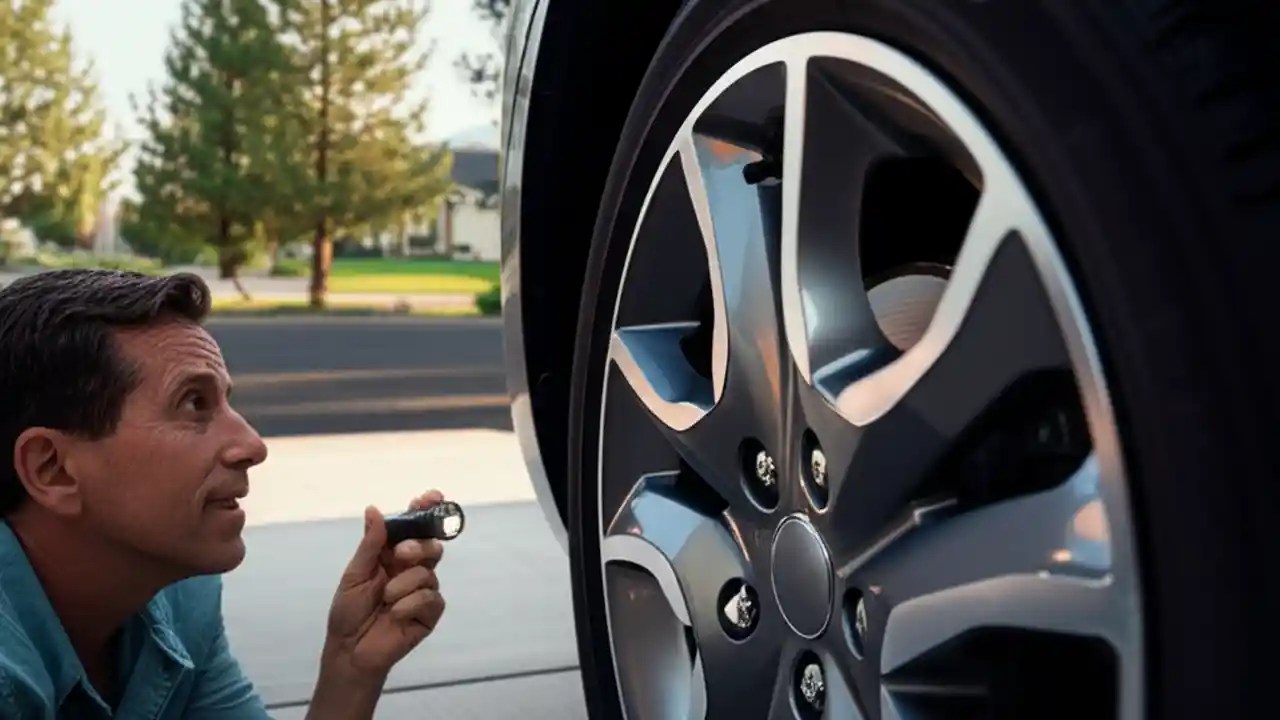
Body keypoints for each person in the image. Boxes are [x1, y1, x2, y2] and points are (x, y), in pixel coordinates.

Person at [0, 269, 448, 719]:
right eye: (194, 404)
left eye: (226, 402)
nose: (253, 445)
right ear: (52, 469)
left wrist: (350, 669)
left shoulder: (179, 599)